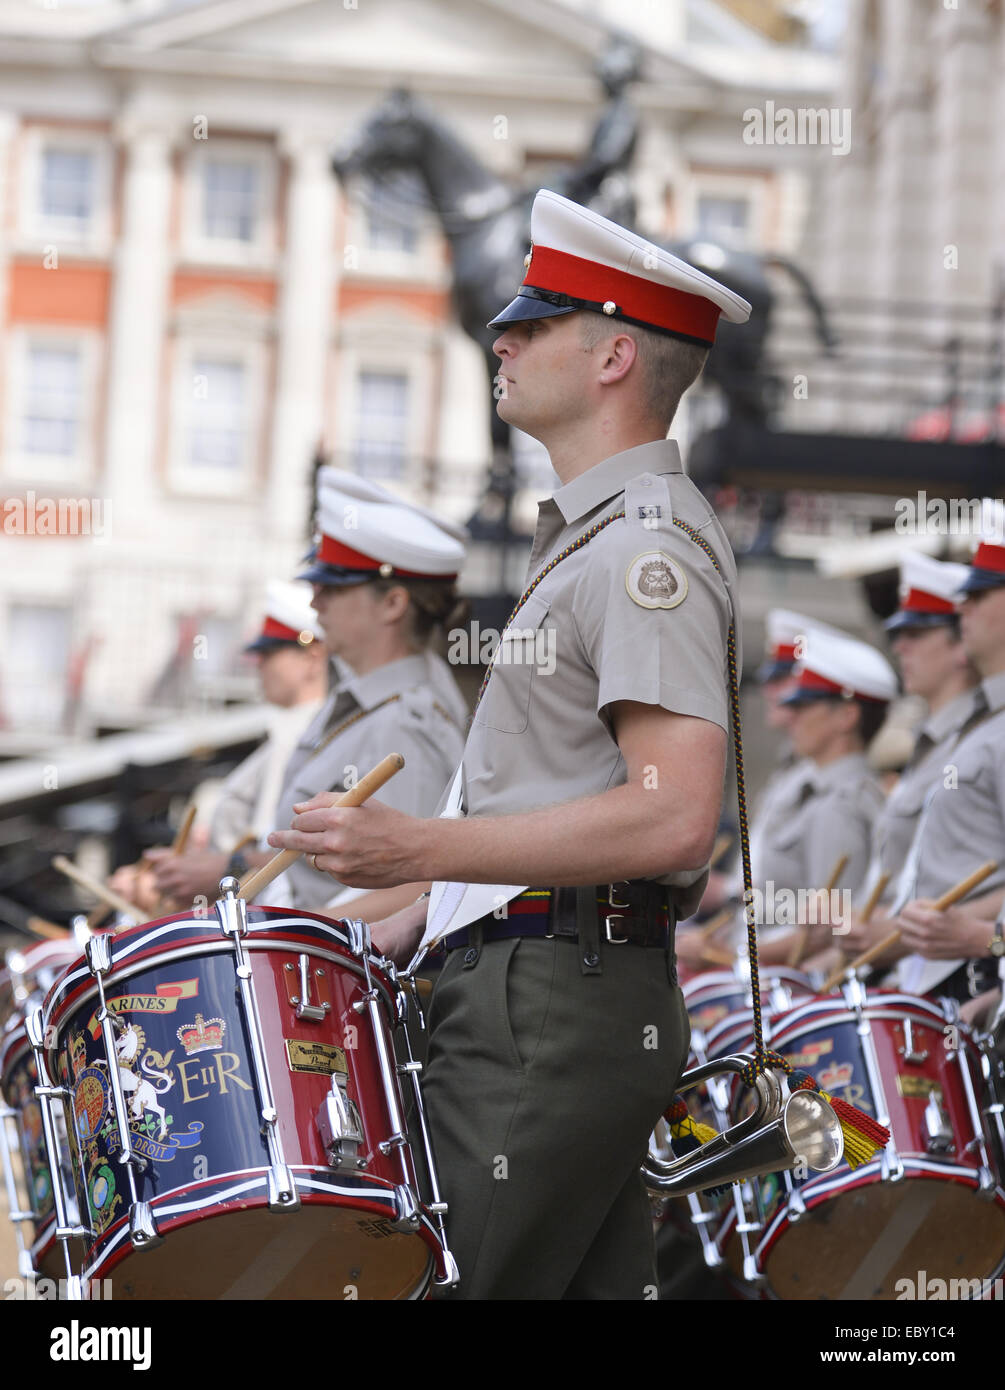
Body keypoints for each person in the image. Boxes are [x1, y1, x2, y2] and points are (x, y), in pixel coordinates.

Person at [270, 188, 751, 1299]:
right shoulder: (599, 541)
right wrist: (387, 916)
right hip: (544, 988)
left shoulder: (641, 553)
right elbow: (549, 796)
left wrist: (420, 851)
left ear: (615, 356)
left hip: (551, 1003)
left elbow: (673, 812)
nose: (502, 337)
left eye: (534, 323)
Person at [267, 467, 469, 912]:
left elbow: (417, 887)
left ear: (393, 603)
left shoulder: (407, 724)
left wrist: (293, 938)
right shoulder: (364, 701)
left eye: (332, 587)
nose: (314, 601)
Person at [114, 581, 327, 912]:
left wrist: (212, 872)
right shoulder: (286, 735)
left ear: (313, 657)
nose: (256, 663)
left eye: (269, 652)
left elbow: (280, 859)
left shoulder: (308, 736)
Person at [823, 552, 979, 973]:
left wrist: (894, 931)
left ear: (961, 640)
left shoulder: (978, 743)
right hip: (910, 979)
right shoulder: (928, 746)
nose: (900, 646)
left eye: (917, 632)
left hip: (958, 982)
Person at [885, 502, 1005, 1003]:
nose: (964, 607)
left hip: (974, 982)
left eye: (979, 594)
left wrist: (986, 937)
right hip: (945, 985)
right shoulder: (984, 724)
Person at [752, 627, 896, 966]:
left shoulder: (840, 804)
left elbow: (829, 931)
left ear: (847, 716)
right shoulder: (824, 794)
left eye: (804, 706)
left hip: (796, 984)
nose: (793, 719)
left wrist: (736, 958)